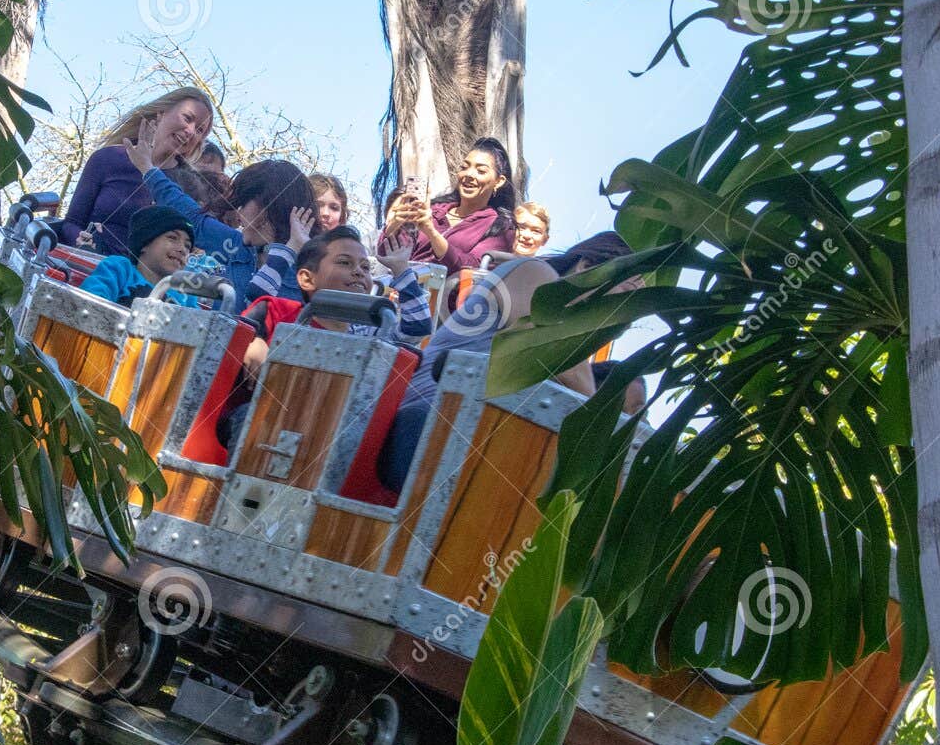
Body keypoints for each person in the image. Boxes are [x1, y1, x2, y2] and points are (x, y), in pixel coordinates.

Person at [378, 242, 636, 493]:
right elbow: (543, 346)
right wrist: (604, 435)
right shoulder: (536, 273)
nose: (634, 299)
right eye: (631, 284)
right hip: (430, 421)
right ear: (586, 266)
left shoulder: (575, 345)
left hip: (479, 435)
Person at [218, 224, 430, 447]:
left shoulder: (372, 335)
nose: (359, 271)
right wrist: (255, 339)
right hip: (269, 420)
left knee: (417, 416)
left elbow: (418, 327)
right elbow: (241, 324)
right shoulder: (280, 311)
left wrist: (401, 270)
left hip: (336, 434)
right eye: (344, 263)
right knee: (250, 417)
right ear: (308, 279)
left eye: (366, 267)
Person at [126, 122, 316, 302]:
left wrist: (288, 252)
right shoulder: (235, 246)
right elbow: (192, 215)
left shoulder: (311, 271)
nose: (238, 214)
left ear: (265, 206)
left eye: (243, 203)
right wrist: (148, 168)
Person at [59, 87, 213, 258]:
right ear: (161, 113)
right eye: (187, 118)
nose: (191, 131)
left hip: (147, 282)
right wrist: (83, 244)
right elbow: (71, 223)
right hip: (89, 267)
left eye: (200, 130)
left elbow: (188, 249)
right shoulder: (109, 158)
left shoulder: (190, 187)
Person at [377, 138, 517, 274]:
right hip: (403, 290)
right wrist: (394, 226)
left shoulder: (500, 227)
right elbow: (387, 256)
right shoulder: (433, 209)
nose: (468, 174)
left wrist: (431, 233)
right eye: (464, 167)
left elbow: (473, 268)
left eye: (480, 171)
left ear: (498, 181)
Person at [75, 206, 198, 307]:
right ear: (144, 243)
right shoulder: (119, 269)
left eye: (187, 246)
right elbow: (88, 303)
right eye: (172, 238)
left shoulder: (185, 295)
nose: (182, 249)